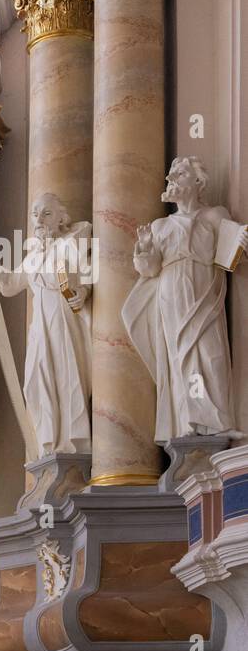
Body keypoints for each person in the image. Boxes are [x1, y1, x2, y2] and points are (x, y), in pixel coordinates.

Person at [124, 155, 248, 440]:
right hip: (171, 292)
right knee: (181, 356)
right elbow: (149, 269)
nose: (172, 180)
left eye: (179, 174)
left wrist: (242, 244)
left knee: (211, 352)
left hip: (204, 288)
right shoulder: (159, 226)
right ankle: (188, 422)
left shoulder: (215, 215)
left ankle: (217, 420)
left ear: (198, 181)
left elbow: (233, 253)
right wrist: (144, 249)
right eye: (171, 175)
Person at [0, 193, 92, 456]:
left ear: (62, 218)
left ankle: (71, 441)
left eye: (46, 213)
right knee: (35, 379)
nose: (39, 219)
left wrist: (83, 293)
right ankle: (48, 440)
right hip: (41, 326)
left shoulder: (72, 244)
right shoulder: (32, 258)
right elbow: (8, 285)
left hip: (64, 321)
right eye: (35, 214)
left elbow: (88, 278)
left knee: (66, 374)